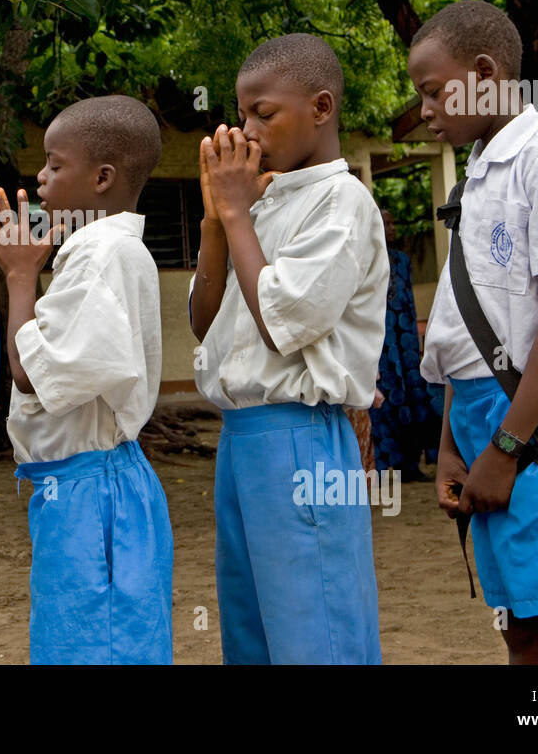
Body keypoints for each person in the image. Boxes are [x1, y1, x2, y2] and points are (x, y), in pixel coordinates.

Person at [411, 0, 538, 664]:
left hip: (537, 421)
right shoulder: (472, 178)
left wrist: (505, 448)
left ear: (482, 71)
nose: (425, 111)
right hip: (480, 419)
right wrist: (450, 445)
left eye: (433, 91)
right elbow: (463, 329)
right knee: (519, 619)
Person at [190, 33, 388, 664]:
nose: (246, 130)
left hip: (302, 437)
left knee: (315, 626)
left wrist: (239, 214)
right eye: (241, 113)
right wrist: (216, 222)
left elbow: (283, 322)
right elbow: (202, 319)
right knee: (252, 631)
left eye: (263, 114)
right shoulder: (259, 202)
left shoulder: (342, 201)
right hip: (242, 437)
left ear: (321, 109)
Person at [0, 94, 172, 664]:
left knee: (94, 643)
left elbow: (31, 374)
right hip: (83, 486)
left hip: (93, 492)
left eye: (56, 164)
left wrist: (21, 276)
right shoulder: (102, 251)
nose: (41, 176)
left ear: (102, 178)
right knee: (86, 640)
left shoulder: (102, 254)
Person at [371, 209, 436, 480]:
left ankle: (410, 465)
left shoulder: (402, 260)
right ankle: (386, 467)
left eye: (393, 222)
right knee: (383, 405)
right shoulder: (366, 260)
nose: (392, 228)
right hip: (380, 345)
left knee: (411, 401)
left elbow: (407, 301)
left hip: (405, 343)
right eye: (385, 223)